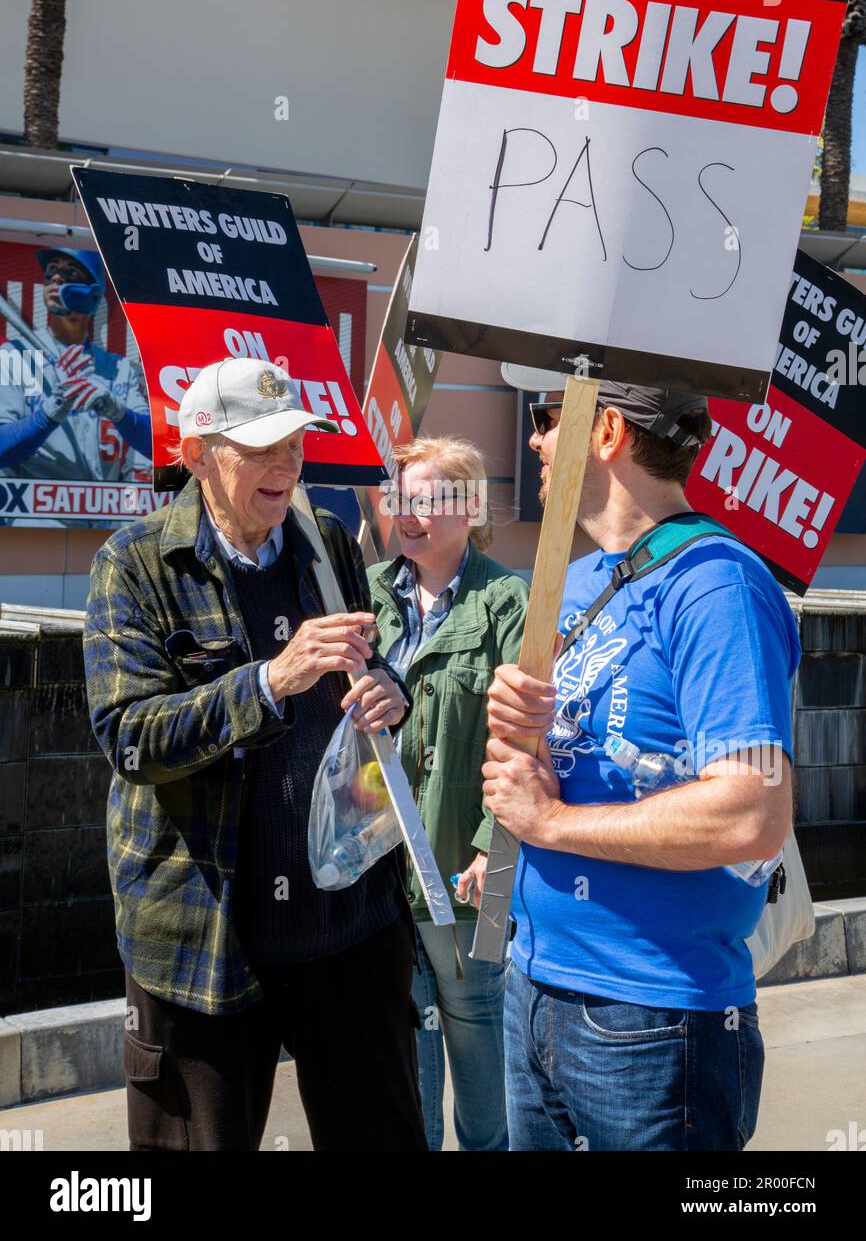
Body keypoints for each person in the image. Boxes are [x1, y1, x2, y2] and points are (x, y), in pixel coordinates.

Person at [83, 357, 426, 1152]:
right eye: (261, 447)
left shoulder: (328, 542)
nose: (286, 467)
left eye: (296, 445)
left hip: (351, 921)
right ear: (196, 451)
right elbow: (132, 738)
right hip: (206, 935)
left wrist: (389, 692)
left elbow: (365, 665)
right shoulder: (132, 565)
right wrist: (270, 681)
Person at [476, 380, 800, 1152]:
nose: (534, 442)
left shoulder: (716, 584)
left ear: (607, 430)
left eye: (547, 420)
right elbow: (584, 771)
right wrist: (527, 759)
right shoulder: (576, 581)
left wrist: (550, 820)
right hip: (533, 982)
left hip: (649, 1017)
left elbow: (752, 813)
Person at [368, 436, 528, 1152]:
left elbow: (527, 738)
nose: (408, 513)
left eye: (427, 499)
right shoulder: (365, 595)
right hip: (376, 872)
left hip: (462, 873)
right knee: (405, 1037)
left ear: (469, 510)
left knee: (474, 1024)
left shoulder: (504, 600)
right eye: (400, 497)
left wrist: (494, 847)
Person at [0, 247, 151, 483]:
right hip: (35, 514)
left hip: (104, 511)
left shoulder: (119, 369)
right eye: (51, 271)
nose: (56, 278)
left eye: (70, 272)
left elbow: (154, 446)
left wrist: (118, 412)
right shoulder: (15, 356)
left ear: (93, 292)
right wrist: (48, 414)